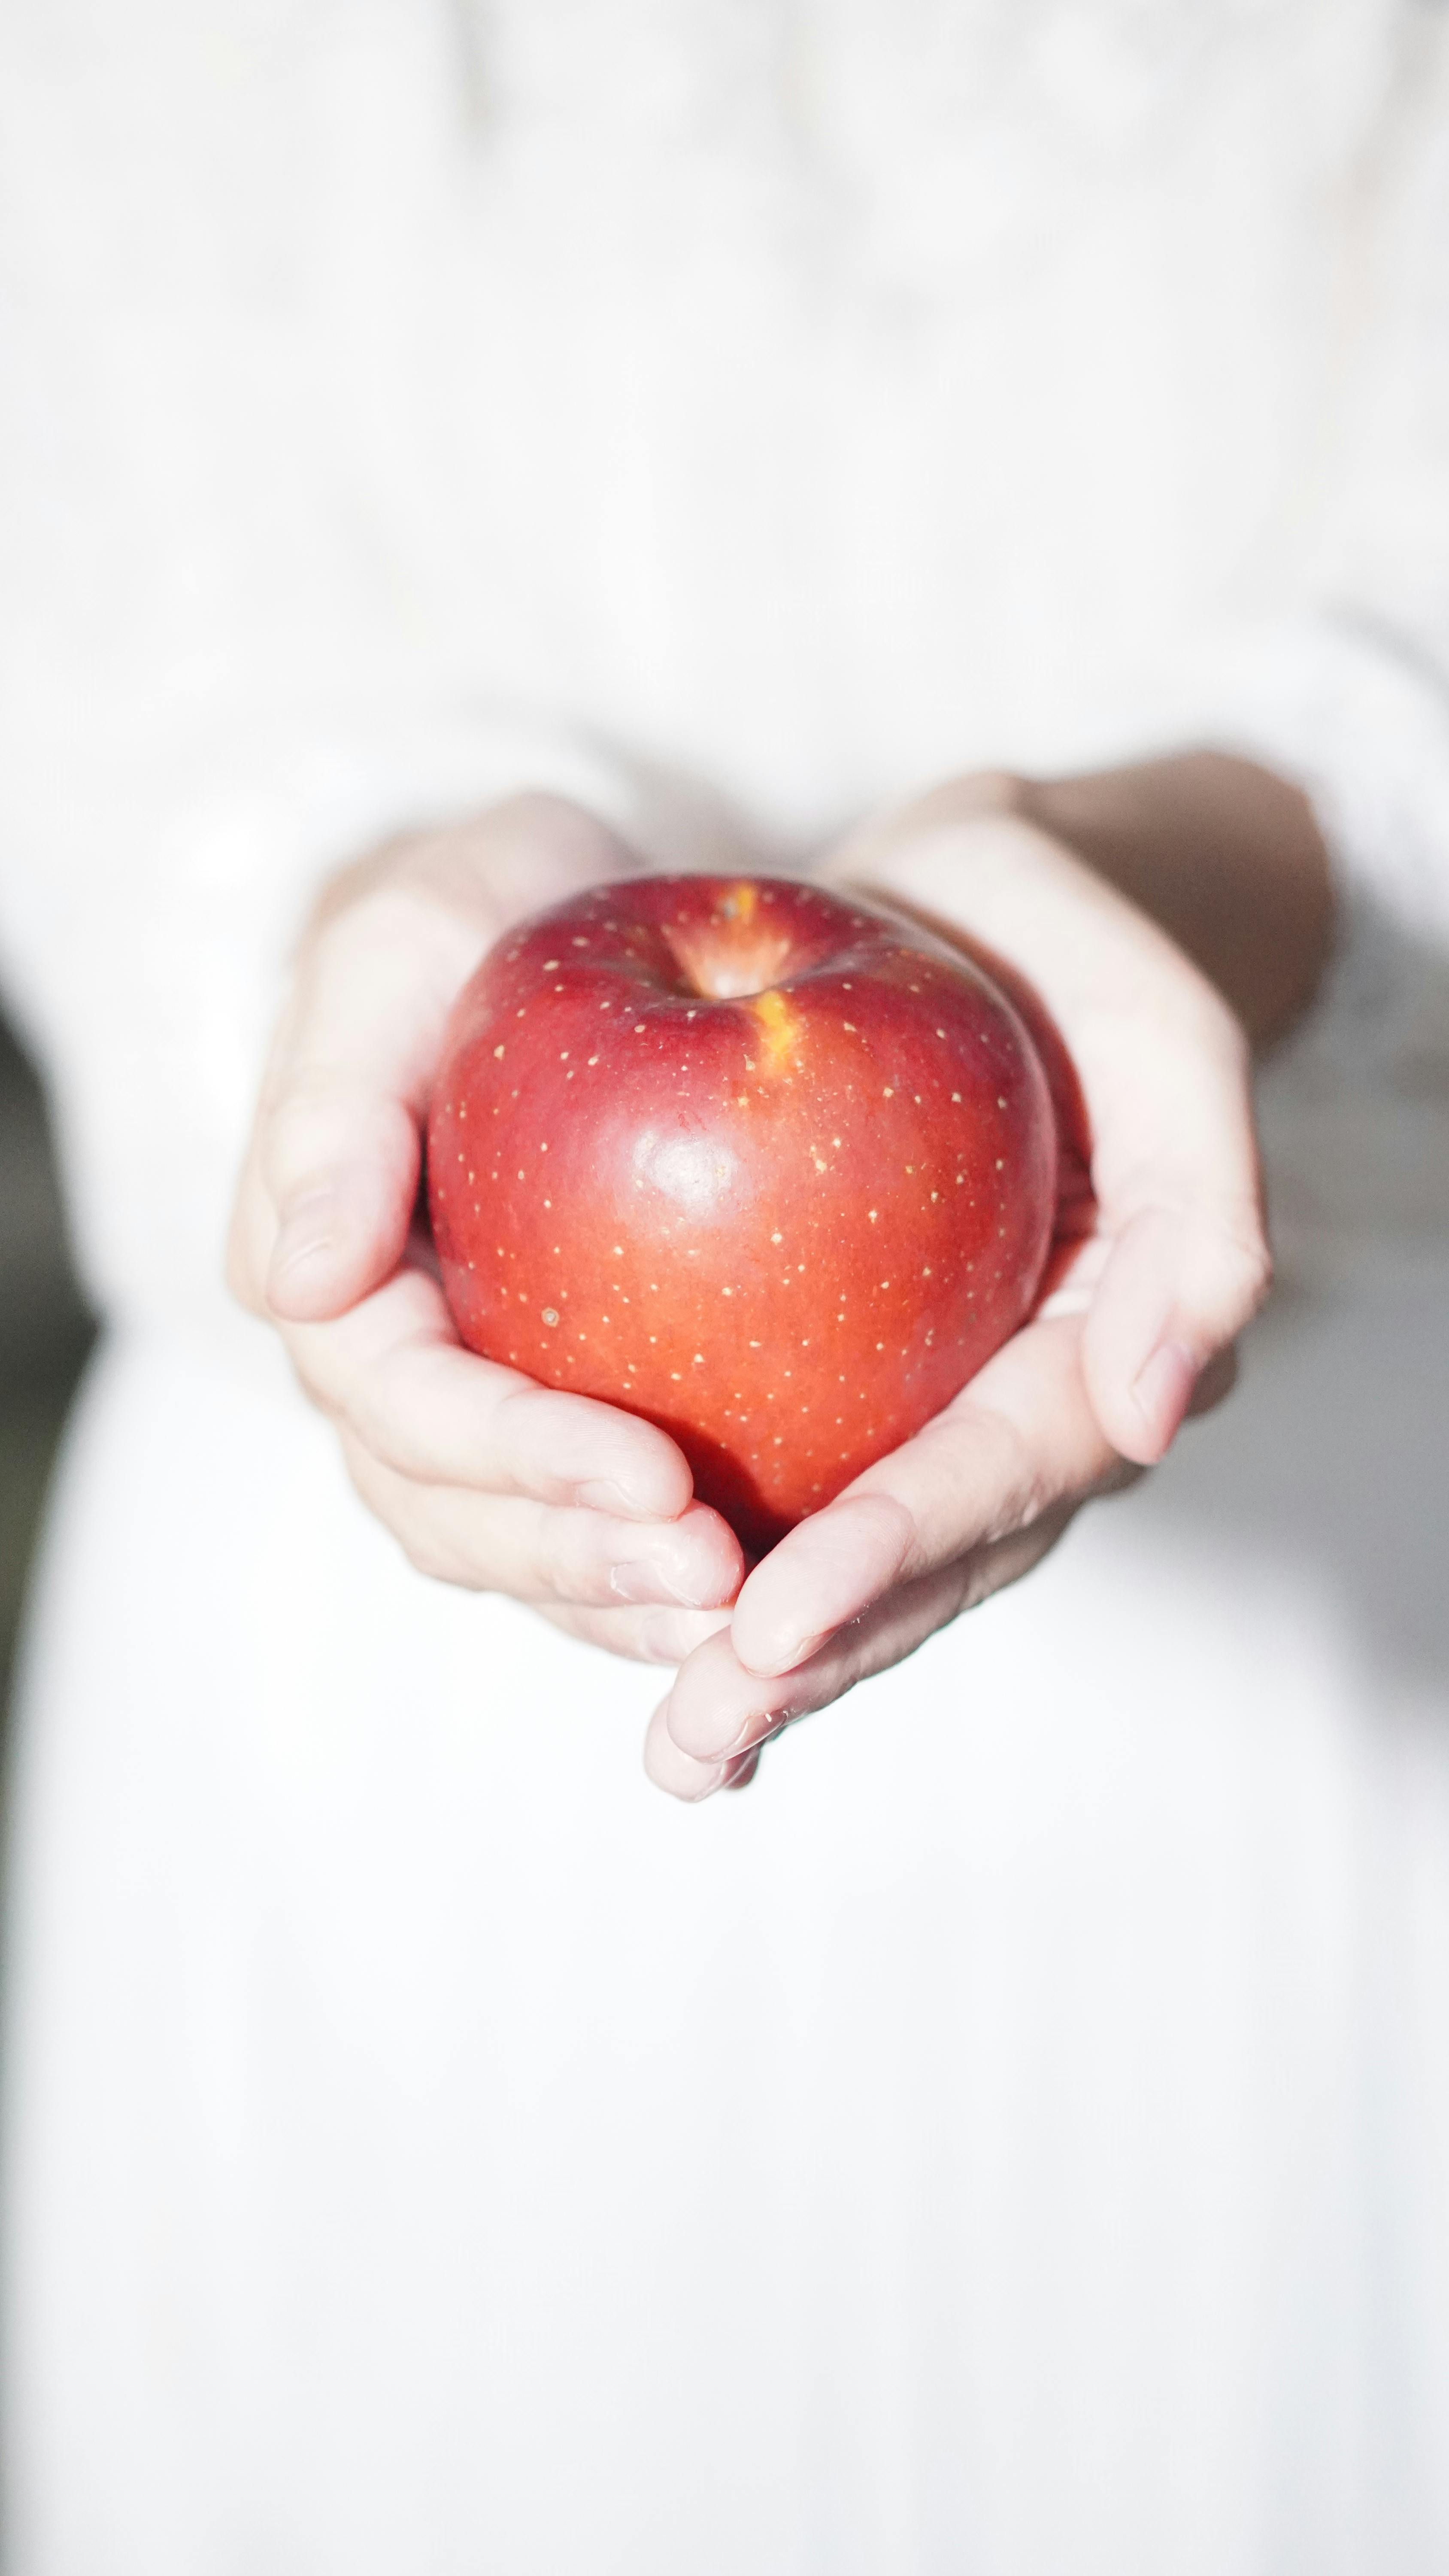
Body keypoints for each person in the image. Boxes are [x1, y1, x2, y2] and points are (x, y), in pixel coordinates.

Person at [2, 3, 1447, 2567]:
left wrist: (1206, 878)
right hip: (372, 1663)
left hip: (1297, 1614)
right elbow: (99, 592)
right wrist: (373, 907)